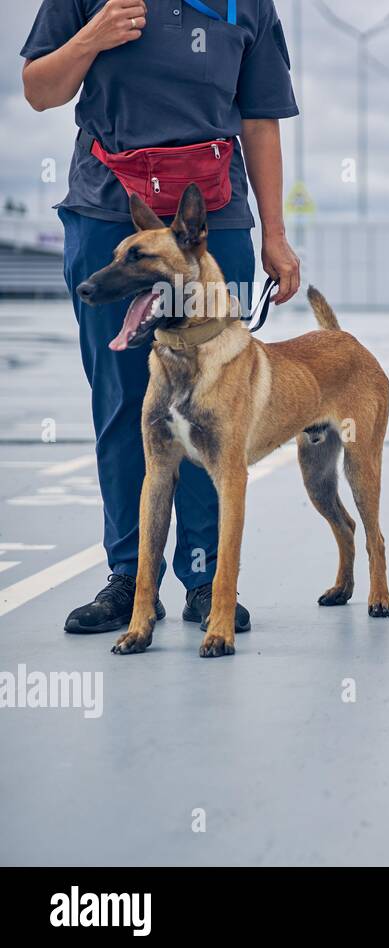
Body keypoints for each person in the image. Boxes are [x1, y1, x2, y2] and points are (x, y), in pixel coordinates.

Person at [21, 0, 301, 634]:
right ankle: (128, 577)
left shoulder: (246, 5)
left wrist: (275, 235)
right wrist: (91, 38)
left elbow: (259, 121)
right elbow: (40, 90)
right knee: (124, 399)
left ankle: (203, 581)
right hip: (109, 215)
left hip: (213, 220)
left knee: (216, 402)